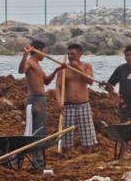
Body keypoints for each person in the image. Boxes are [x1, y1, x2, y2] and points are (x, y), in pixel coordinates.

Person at [19, 41, 58, 170]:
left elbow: (46, 82)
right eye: (44, 51)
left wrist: (57, 70)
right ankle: (29, 160)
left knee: (40, 132)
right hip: (33, 100)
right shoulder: (30, 62)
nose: (45, 54)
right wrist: (24, 55)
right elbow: (21, 70)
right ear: (39, 50)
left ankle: (38, 161)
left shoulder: (38, 65)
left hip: (41, 100)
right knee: (31, 132)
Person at [55, 44, 98, 152]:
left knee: (88, 137)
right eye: (68, 54)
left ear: (80, 54)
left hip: (83, 105)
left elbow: (90, 81)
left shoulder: (86, 66)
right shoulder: (63, 69)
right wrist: (59, 102)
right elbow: (58, 87)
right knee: (66, 138)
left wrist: (77, 67)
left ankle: (88, 156)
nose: (70, 56)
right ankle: (66, 156)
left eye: (72, 54)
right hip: (68, 106)